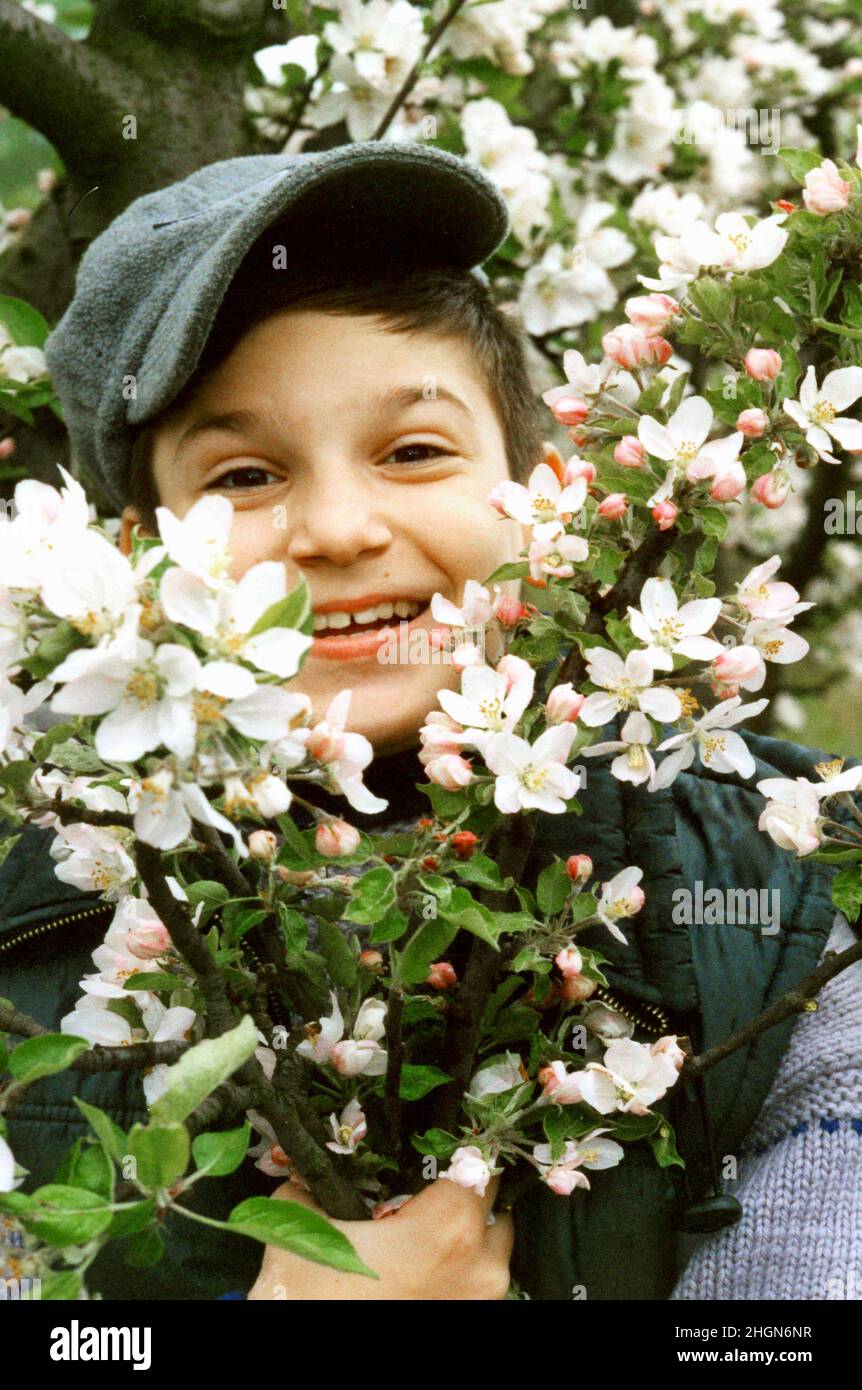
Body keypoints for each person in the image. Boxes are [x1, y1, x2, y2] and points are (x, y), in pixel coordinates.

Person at [1, 144, 859, 1301]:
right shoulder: (30, 929)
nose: (340, 528)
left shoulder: (794, 895)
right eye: (245, 475)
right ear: (137, 558)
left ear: (543, 492)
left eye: (413, 450)